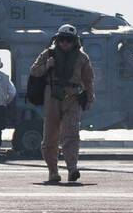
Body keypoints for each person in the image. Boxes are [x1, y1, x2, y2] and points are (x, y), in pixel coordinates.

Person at [30, 24, 94, 183]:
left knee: (71, 134)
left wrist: (90, 97)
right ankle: (53, 171)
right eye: (62, 40)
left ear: (75, 41)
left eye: (69, 40)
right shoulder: (48, 54)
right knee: (50, 136)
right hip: (52, 97)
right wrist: (47, 66)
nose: (65, 43)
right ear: (57, 40)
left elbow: (88, 80)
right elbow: (34, 71)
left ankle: (72, 168)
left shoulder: (82, 58)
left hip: (73, 97)